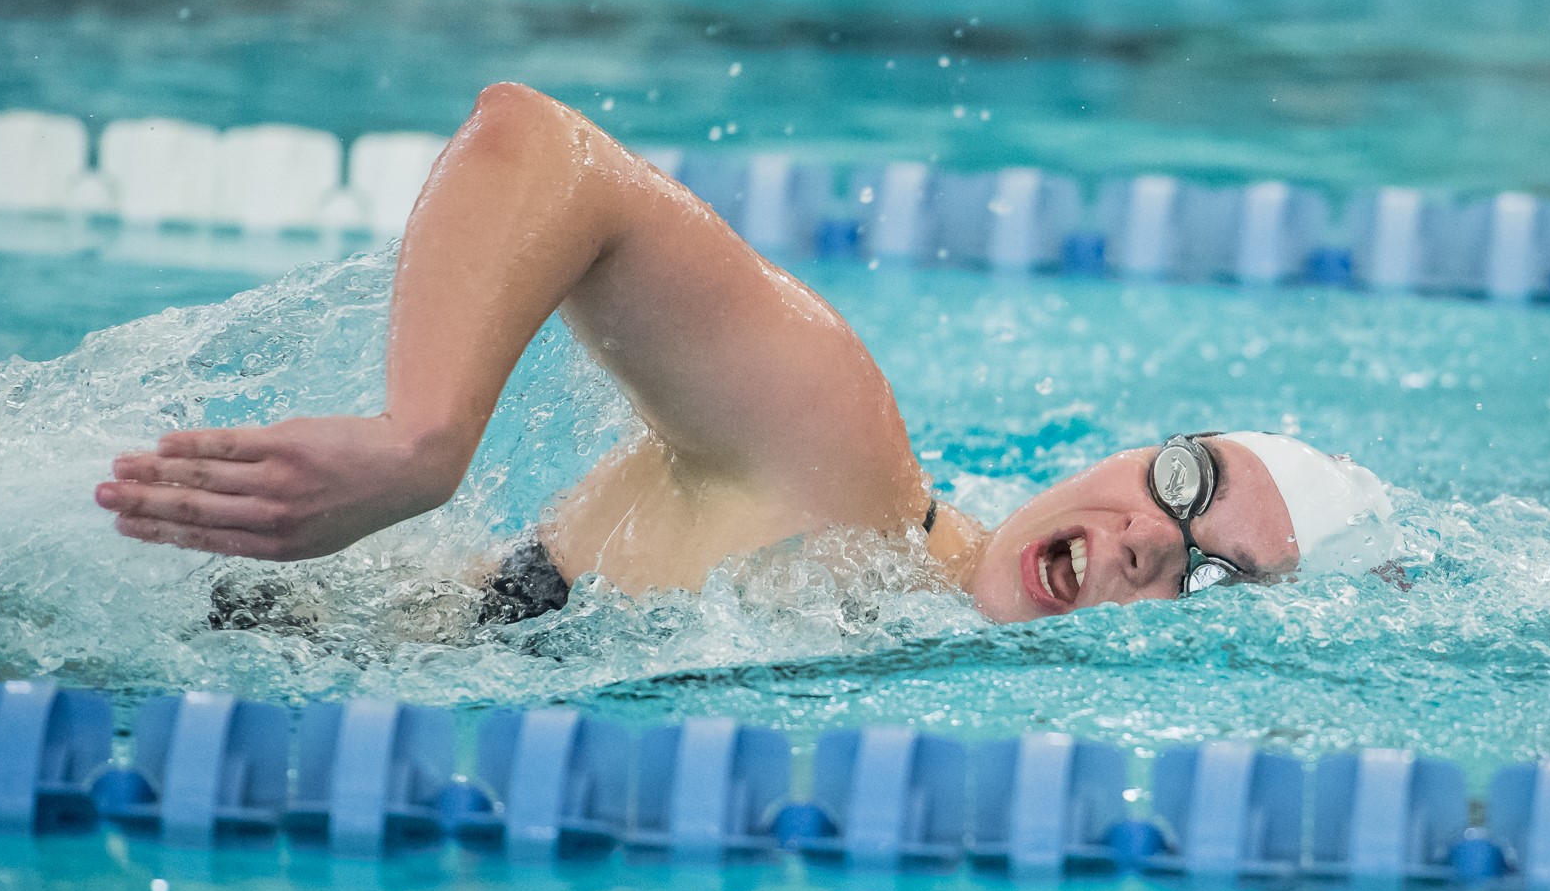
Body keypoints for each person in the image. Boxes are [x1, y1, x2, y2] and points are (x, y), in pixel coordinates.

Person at [95, 83, 1398, 627]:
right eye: (1183, 482)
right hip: (146, 583)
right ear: (1133, 450)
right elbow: (537, 142)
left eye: (1213, 577)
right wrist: (422, 443)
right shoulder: (842, 463)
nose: (1150, 541)